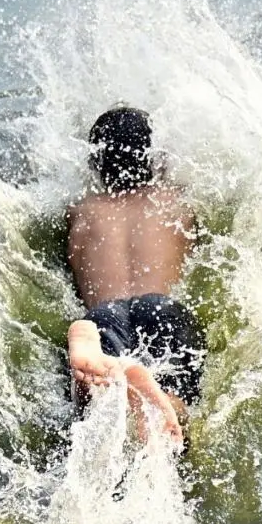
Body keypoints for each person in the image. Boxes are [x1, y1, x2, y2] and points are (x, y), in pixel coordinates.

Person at [64, 107, 204, 449]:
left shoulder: (80, 210)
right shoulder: (177, 200)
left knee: (95, 409)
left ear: (96, 163)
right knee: (182, 420)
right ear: (153, 158)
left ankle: (94, 363)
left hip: (103, 314)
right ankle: (165, 403)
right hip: (162, 308)